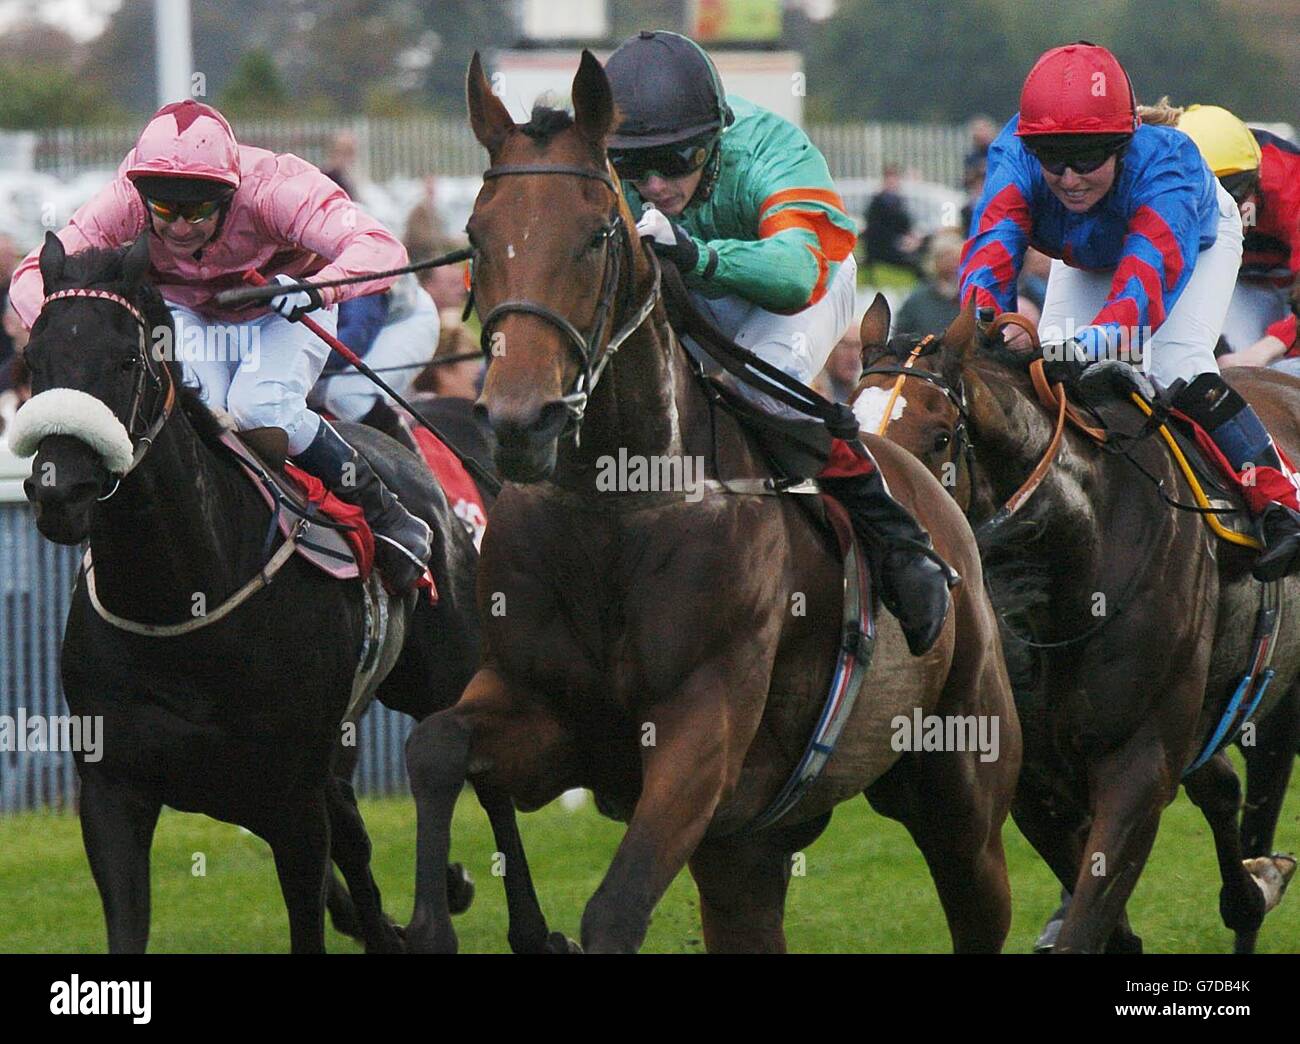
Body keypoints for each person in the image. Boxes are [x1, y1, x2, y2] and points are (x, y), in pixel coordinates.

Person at [604, 29, 953, 655]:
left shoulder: (772, 148)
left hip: (807, 279)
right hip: (697, 277)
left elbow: (793, 278)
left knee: (761, 394)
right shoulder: (619, 171)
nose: (654, 184)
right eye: (635, 165)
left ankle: (901, 544)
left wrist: (694, 253)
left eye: (676, 159)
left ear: (713, 137)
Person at [8, 100, 432, 589]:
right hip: (190, 312)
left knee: (259, 407)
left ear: (230, 195)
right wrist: (76, 334)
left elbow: (381, 246)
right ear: (144, 195)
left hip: (286, 304)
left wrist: (319, 287)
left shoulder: (276, 189)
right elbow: (30, 274)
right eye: (165, 210)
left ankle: (387, 513)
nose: (181, 227)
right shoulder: (126, 197)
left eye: (198, 210)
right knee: (198, 417)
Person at [959, 42, 1300, 581]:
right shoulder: (1013, 157)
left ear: (1123, 143)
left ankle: (1282, 502)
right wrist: (988, 335)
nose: (1069, 178)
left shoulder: (1168, 170)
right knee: (1042, 377)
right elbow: (988, 259)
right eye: (1054, 161)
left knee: (1172, 363)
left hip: (1192, 239)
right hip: (1089, 247)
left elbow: (1138, 303)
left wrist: (1083, 346)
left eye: (1089, 156)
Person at [1166, 104, 1300, 370]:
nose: (1225, 212)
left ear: (1258, 177)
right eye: (1206, 202)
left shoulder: (1290, 183)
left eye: (1234, 196)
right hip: (1241, 281)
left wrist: (1268, 347)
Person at [313, 272, 441, 437]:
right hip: (367, 324)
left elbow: (354, 337)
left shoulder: (356, 266)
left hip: (408, 319)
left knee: (346, 395)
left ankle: (407, 460)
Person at [894, 229, 964, 338]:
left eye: (956, 258)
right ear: (934, 262)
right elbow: (901, 335)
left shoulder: (972, 297)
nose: (953, 264)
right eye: (946, 258)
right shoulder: (917, 300)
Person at [863, 164, 922, 274]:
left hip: (898, 244)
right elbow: (877, 231)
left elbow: (906, 224)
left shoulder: (898, 201)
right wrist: (900, 242)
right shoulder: (877, 202)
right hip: (884, 248)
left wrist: (911, 237)